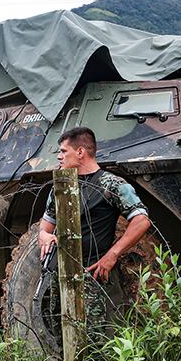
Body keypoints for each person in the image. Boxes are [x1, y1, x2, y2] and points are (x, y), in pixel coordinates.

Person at [38, 127, 151, 329]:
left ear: (80, 152)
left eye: (64, 151)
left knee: (96, 337)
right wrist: (44, 236)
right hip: (60, 273)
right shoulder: (61, 186)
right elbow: (45, 227)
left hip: (93, 275)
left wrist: (113, 255)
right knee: (58, 330)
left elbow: (141, 220)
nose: (59, 156)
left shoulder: (111, 184)